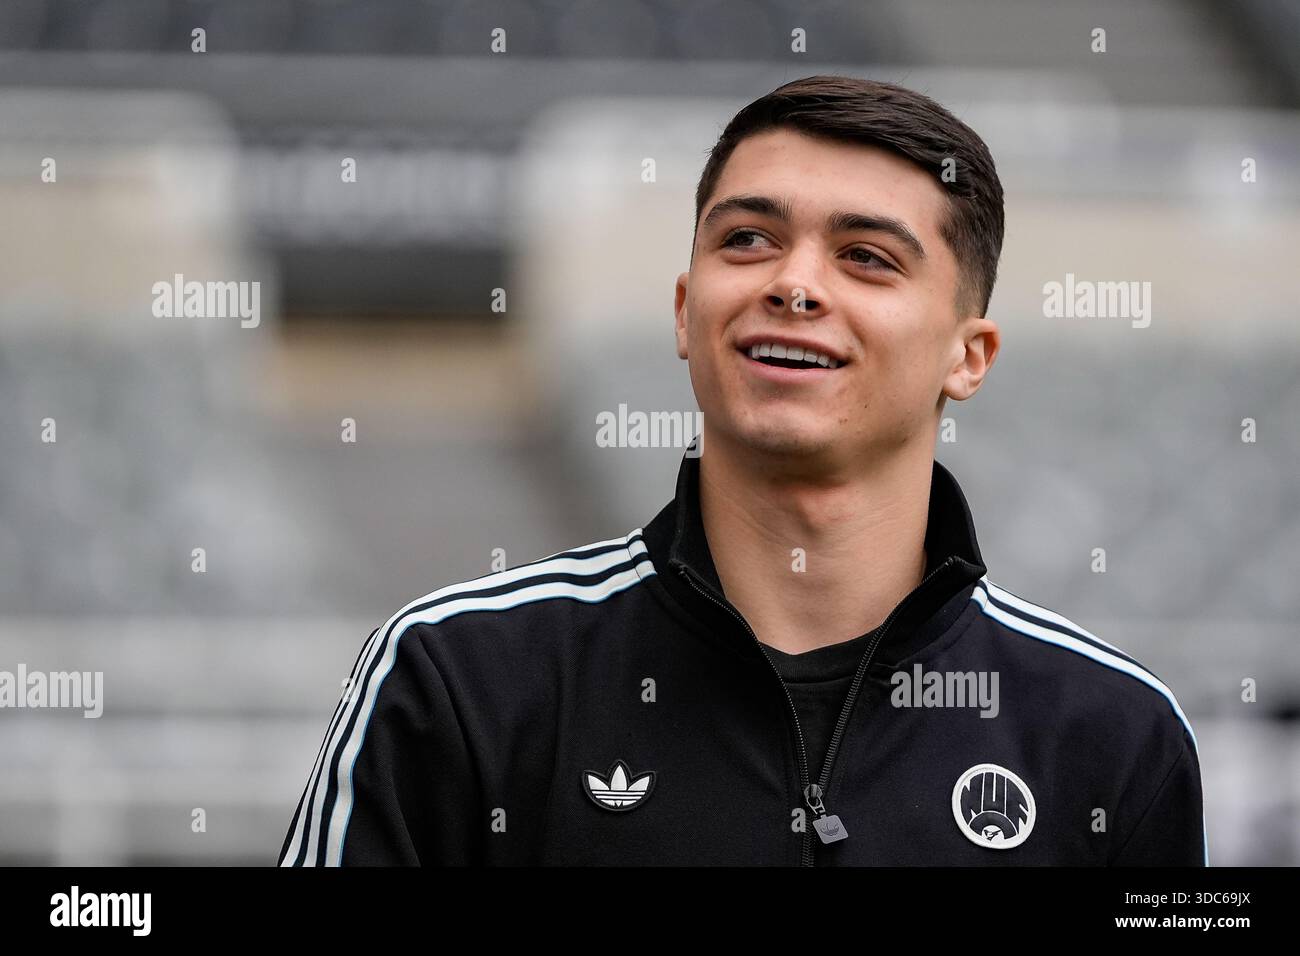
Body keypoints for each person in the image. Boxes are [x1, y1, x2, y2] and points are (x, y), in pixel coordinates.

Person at [278, 75, 1206, 866]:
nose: (794, 284)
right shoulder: (459, 681)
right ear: (686, 314)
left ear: (969, 357)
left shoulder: (1111, 736)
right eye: (748, 240)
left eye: (866, 258)